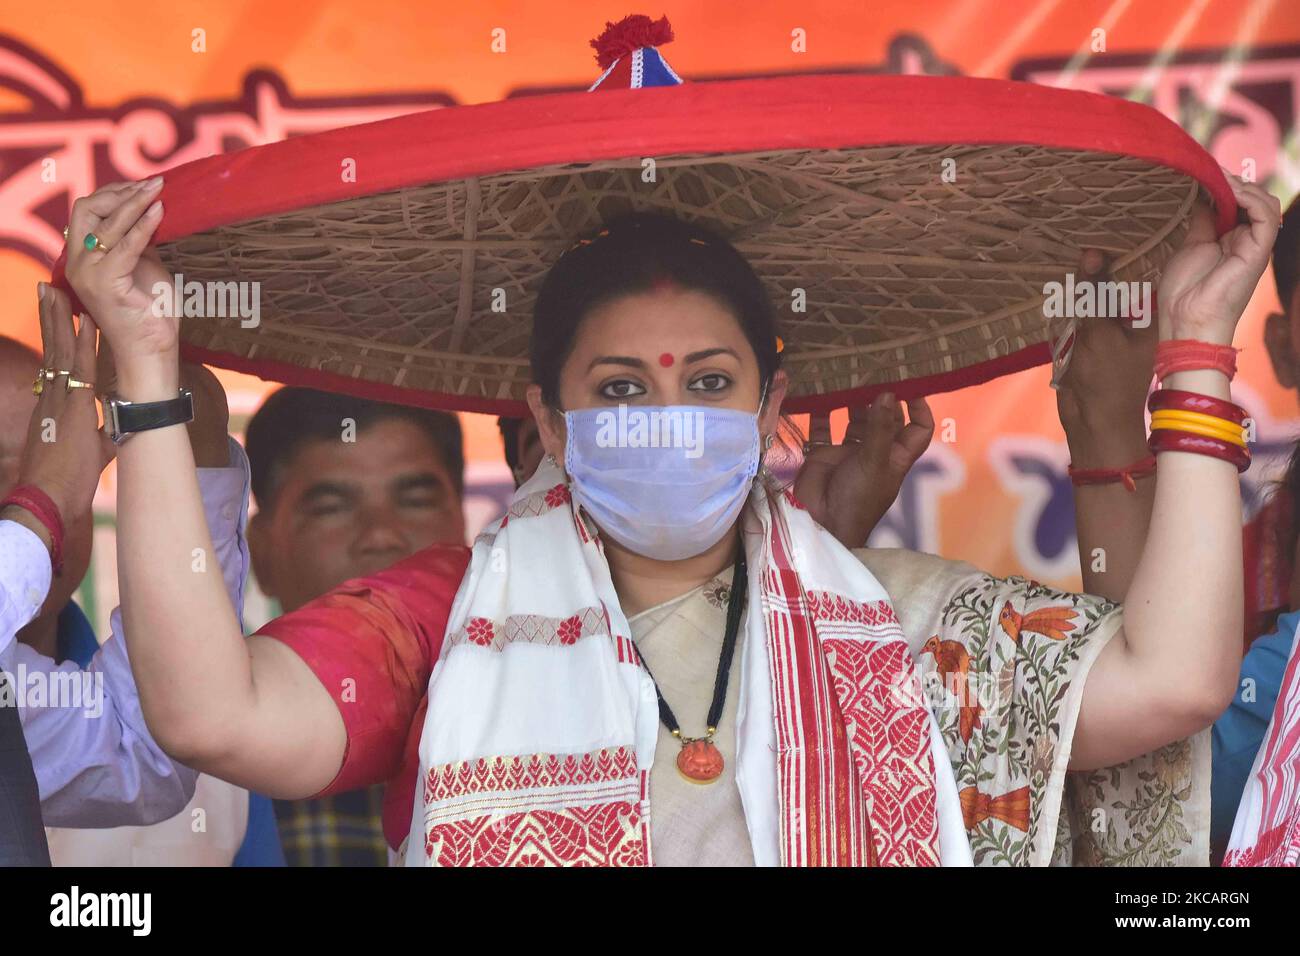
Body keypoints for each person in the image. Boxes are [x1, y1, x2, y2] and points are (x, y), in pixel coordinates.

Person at [65, 165, 1279, 865]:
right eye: (619, 388)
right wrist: (152, 387)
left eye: (706, 382)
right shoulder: (447, 619)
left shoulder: (902, 622)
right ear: (546, 411)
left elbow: (1173, 680)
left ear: (770, 408)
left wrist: (1193, 361)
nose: (666, 415)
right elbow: (209, 714)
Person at [0, 283, 281, 865]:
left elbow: (143, 745)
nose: (14, 493)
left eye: (51, 453)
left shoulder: (216, 753)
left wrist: (183, 420)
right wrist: (43, 499)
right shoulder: (42, 502)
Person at [244, 386, 466, 866]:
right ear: (259, 553)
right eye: (332, 507)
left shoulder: (547, 726)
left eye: (415, 500)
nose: (381, 534)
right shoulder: (204, 771)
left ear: (467, 527)